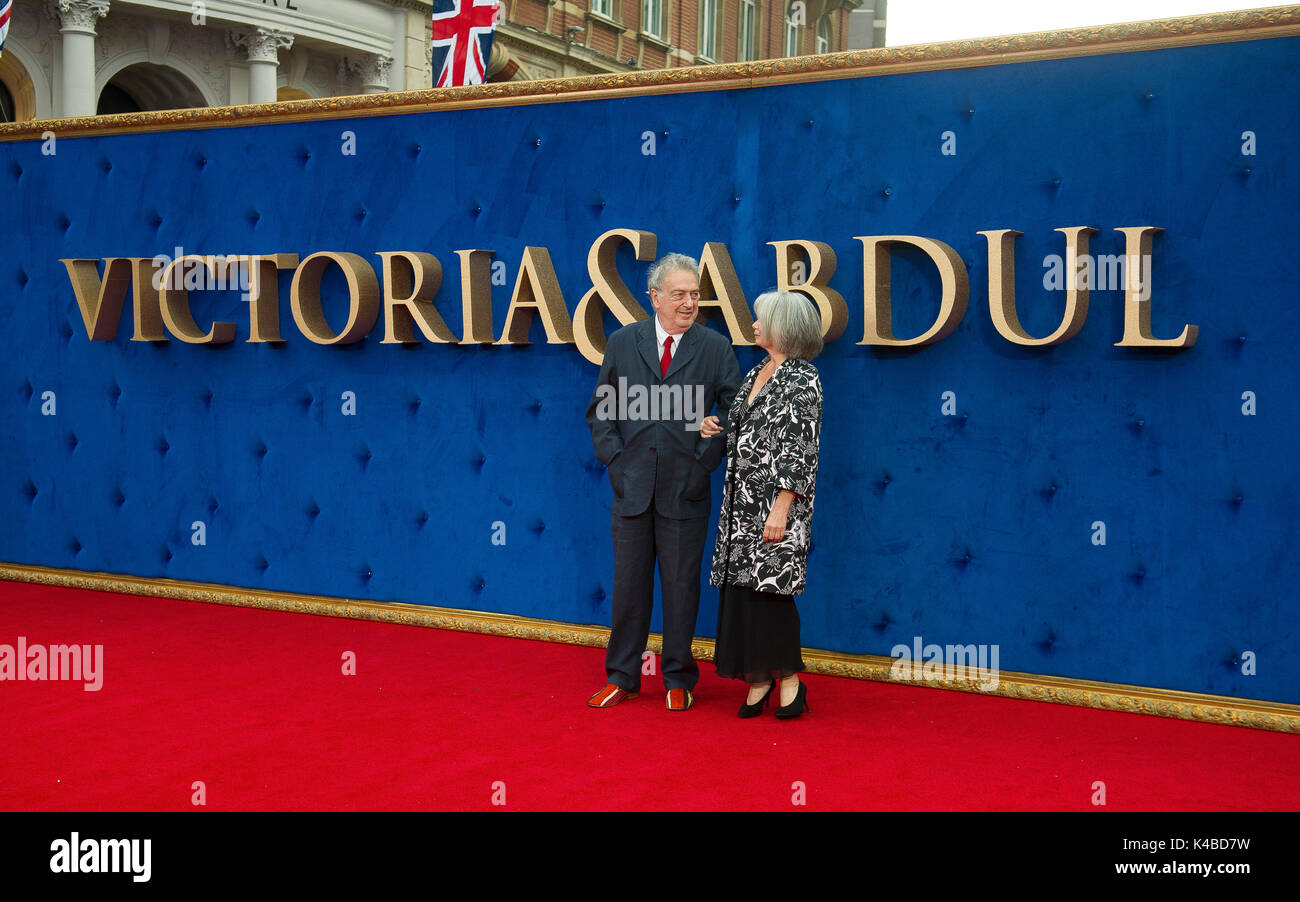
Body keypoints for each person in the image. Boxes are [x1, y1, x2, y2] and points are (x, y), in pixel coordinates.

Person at [585, 254, 741, 711]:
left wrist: (706, 455)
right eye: (679, 294)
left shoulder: (714, 347)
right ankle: (623, 677)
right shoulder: (621, 343)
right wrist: (617, 461)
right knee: (629, 588)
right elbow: (601, 412)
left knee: (680, 589)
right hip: (630, 491)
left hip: (686, 491)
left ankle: (677, 677)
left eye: (694, 294)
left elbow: (735, 413)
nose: (689, 302)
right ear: (655, 297)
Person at [701, 290, 823, 719]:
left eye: (761, 319)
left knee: (772, 593)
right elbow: (747, 432)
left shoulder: (802, 378)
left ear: (783, 327)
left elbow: (800, 447)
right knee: (742, 592)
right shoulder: (758, 370)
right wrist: (716, 428)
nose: (753, 325)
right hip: (740, 504)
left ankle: (790, 679)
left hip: (775, 507)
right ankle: (759, 677)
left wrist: (781, 508)